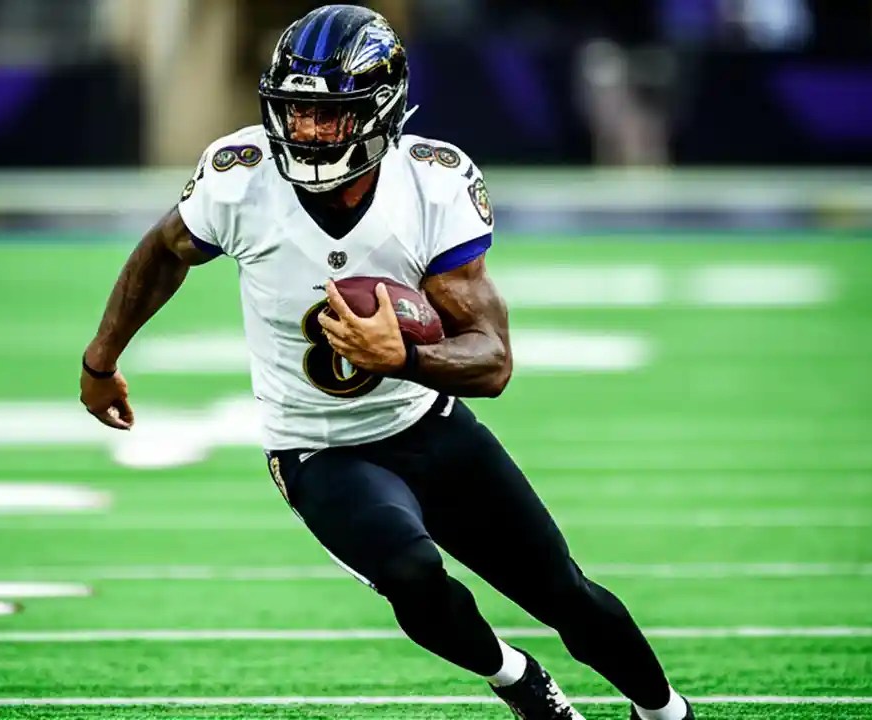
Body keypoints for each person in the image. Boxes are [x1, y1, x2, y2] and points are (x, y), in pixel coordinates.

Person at [80, 6, 692, 719]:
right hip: (318, 447)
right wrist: (101, 361)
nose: (308, 130)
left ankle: (665, 712)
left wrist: (405, 357)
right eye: (296, 110)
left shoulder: (431, 182)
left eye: (329, 114)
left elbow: (493, 362)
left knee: (564, 593)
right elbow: (165, 250)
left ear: (380, 110)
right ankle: (517, 678)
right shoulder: (240, 177)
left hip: (428, 424)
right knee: (411, 570)